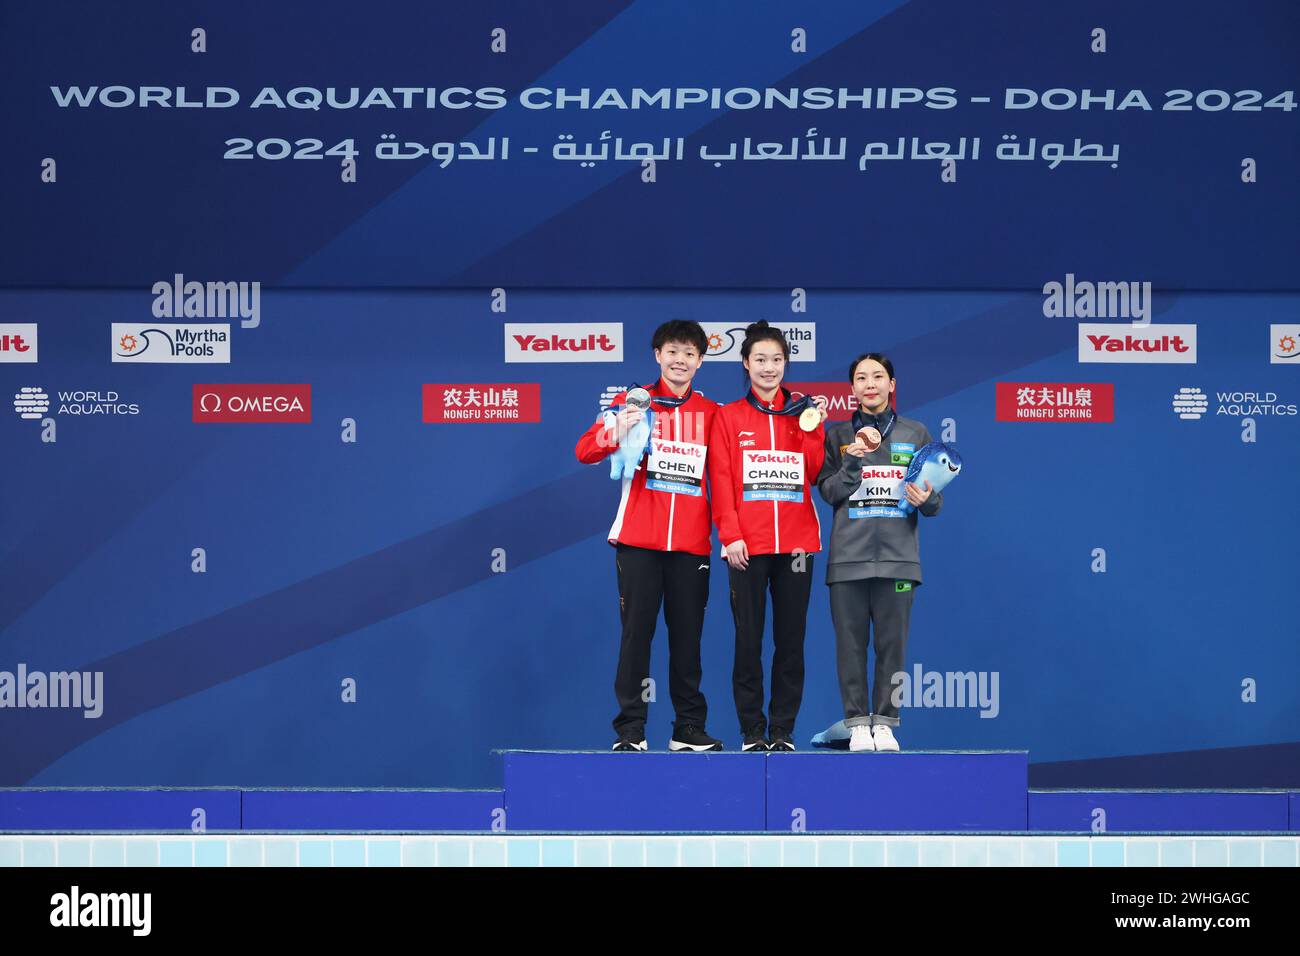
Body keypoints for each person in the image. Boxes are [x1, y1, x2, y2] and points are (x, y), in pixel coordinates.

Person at [574, 320, 724, 752]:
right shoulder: (632, 401)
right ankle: (631, 730)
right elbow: (585, 450)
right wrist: (617, 429)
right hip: (639, 540)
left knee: (687, 639)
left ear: (700, 361)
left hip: (692, 545)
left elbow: (725, 477)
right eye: (673, 351)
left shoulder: (711, 412)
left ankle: (687, 729)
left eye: (690, 353)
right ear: (658, 354)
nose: (681, 360)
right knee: (635, 637)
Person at [707, 321, 827, 752]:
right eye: (760, 359)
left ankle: (782, 730)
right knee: (748, 640)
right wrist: (731, 534)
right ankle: (752, 731)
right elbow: (720, 480)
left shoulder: (803, 414)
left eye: (777, 360)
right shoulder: (728, 416)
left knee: (791, 641)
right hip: (747, 546)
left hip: (797, 544)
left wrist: (813, 430)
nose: (769, 367)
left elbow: (814, 473)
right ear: (745, 363)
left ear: (785, 364)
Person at [816, 353, 944, 753]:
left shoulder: (916, 433)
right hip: (848, 560)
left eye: (877, 377)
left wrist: (926, 498)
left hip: (898, 559)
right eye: (860, 378)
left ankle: (885, 723)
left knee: (892, 644)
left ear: (891, 384)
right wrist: (852, 463)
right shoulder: (837, 436)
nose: (869, 384)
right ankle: (857, 723)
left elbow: (933, 502)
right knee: (850, 646)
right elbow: (829, 492)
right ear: (852, 388)